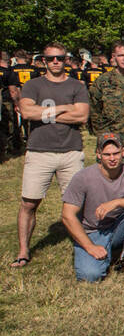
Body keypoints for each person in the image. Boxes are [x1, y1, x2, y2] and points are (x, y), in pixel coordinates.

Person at [13, 42, 91, 268]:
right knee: (29, 202)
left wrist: (43, 114)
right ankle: (23, 250)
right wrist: (63, 108)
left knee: (77, 204)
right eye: (50, 59)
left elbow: (82, 117)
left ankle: (81, 245)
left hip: (70, 151)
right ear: (43, 61)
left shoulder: (77, 85)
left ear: (66, 59)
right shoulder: (32, 85)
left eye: (59, 58)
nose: (55, 62)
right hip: (39, 151)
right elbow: (27, 111)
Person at [61, 132, 124, 281]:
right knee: (90, 276)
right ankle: (110, 254)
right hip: (93, 231)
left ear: (123, 152)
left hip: (119, 227)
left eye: (116, 153)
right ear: (98, 154)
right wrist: (90, 247)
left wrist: (117, 202)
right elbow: (67, 216)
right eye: (107, 154)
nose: (112, 158)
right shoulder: (83, 177)